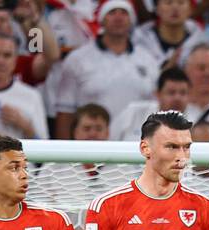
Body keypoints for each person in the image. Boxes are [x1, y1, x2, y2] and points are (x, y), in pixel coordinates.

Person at [53, 0, 160, 140]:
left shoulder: (148, 59)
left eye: (124, 13)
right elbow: (65, 112)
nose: (118, 17)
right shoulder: (77, 59)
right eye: (112, 13)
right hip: (92, 146)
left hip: (136, 147)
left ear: (132, 20)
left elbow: (156, 108)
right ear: (101, 20)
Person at [112, 66, 190, 142]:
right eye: (171, 93)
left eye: (183, 93)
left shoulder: (195, 122)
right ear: (158, 94)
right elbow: (109, 140)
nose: (177, 98)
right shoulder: (133, 112)